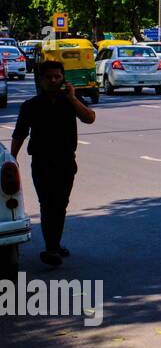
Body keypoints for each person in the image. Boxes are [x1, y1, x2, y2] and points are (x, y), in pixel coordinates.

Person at [9, 59, 96, 267]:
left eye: (57, 76)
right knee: (48, 204)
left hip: (66, 162)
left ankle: (54, 244)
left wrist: (73, 98)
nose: (54, 80)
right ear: (40, 80)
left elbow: (89, 118)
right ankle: (51, 249)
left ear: (63, 78)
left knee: (61, 204)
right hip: (42, 163)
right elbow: (19, 135)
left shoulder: (70, 100)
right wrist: (12, 160)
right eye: (49, 77)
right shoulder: (31, 106)